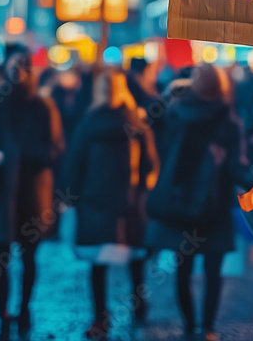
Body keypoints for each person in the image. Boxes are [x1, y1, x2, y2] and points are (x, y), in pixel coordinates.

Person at [146, 64, 253, 341]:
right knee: (211, 272)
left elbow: (151, 119)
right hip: (211, 205)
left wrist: (172, 92)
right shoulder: (226, 121)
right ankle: (205, 328)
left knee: (185, 271)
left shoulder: (175, 114)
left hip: (182, 203)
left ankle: (191, 326)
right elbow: (236, 167)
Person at [0, 43, 64, 341]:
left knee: (30, 256)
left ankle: (24, 309)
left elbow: (57, 148)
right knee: (0, 258)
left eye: (23, 68)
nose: (17, 74)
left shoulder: (42, 105)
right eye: (13, 68)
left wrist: (25, 155)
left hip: (32, 192)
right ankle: (2, 317)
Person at [60, 69, 159, 338]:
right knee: (134, 257)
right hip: (130, 203)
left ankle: (101, 318)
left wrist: (68, 196)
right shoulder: (137, 122)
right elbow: (151, 163)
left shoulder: (89, 122)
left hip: (95, 201)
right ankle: (138, 306)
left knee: (98, 263)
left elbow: (75, 162)